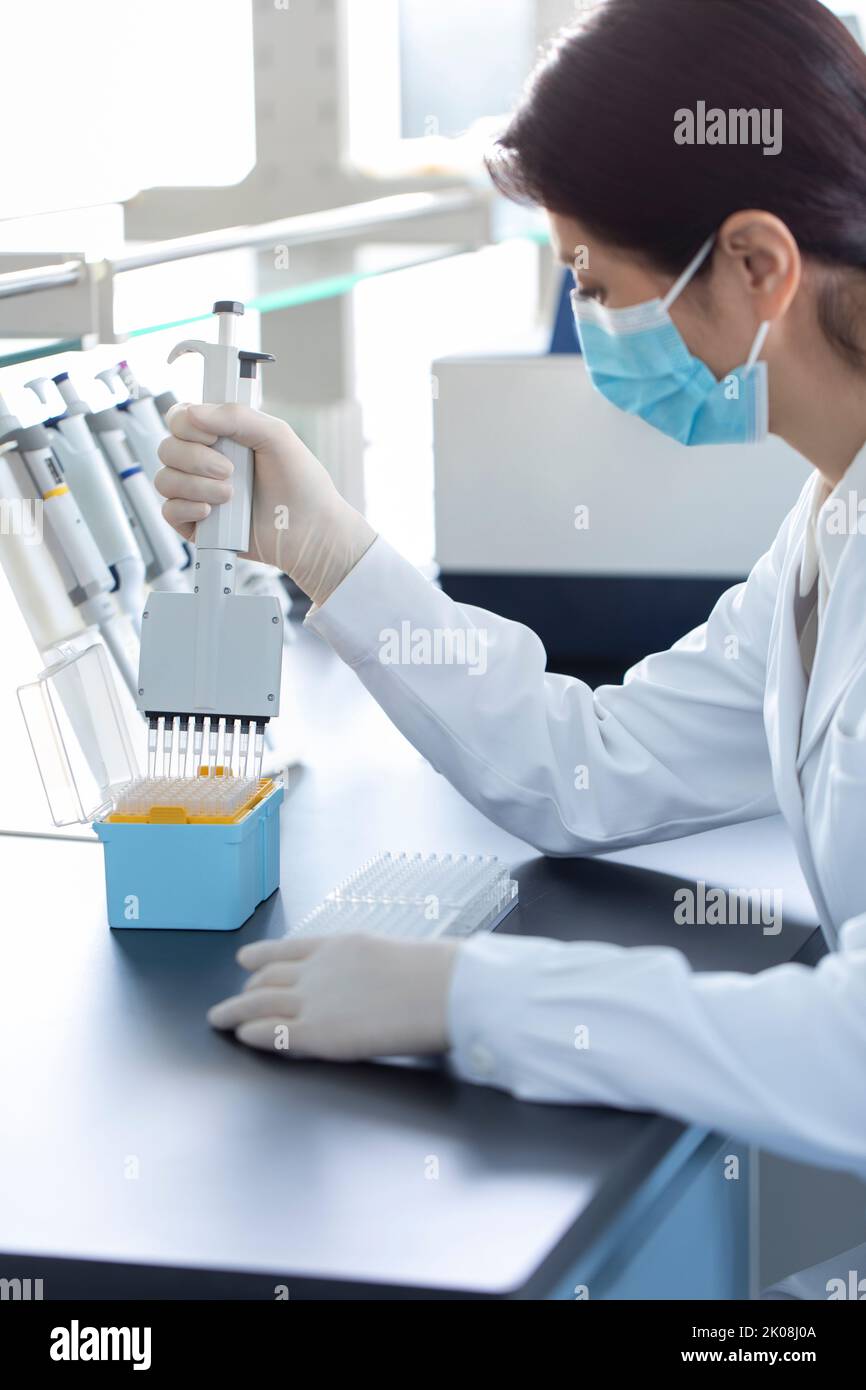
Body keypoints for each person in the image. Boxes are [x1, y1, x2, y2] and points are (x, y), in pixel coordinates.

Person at [156, 0, 866, 1180]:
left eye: (592, 284)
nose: (585, 326)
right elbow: (593, 763)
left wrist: (477, 996)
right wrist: (327, 549)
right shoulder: (829, 521)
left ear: (753, 264)